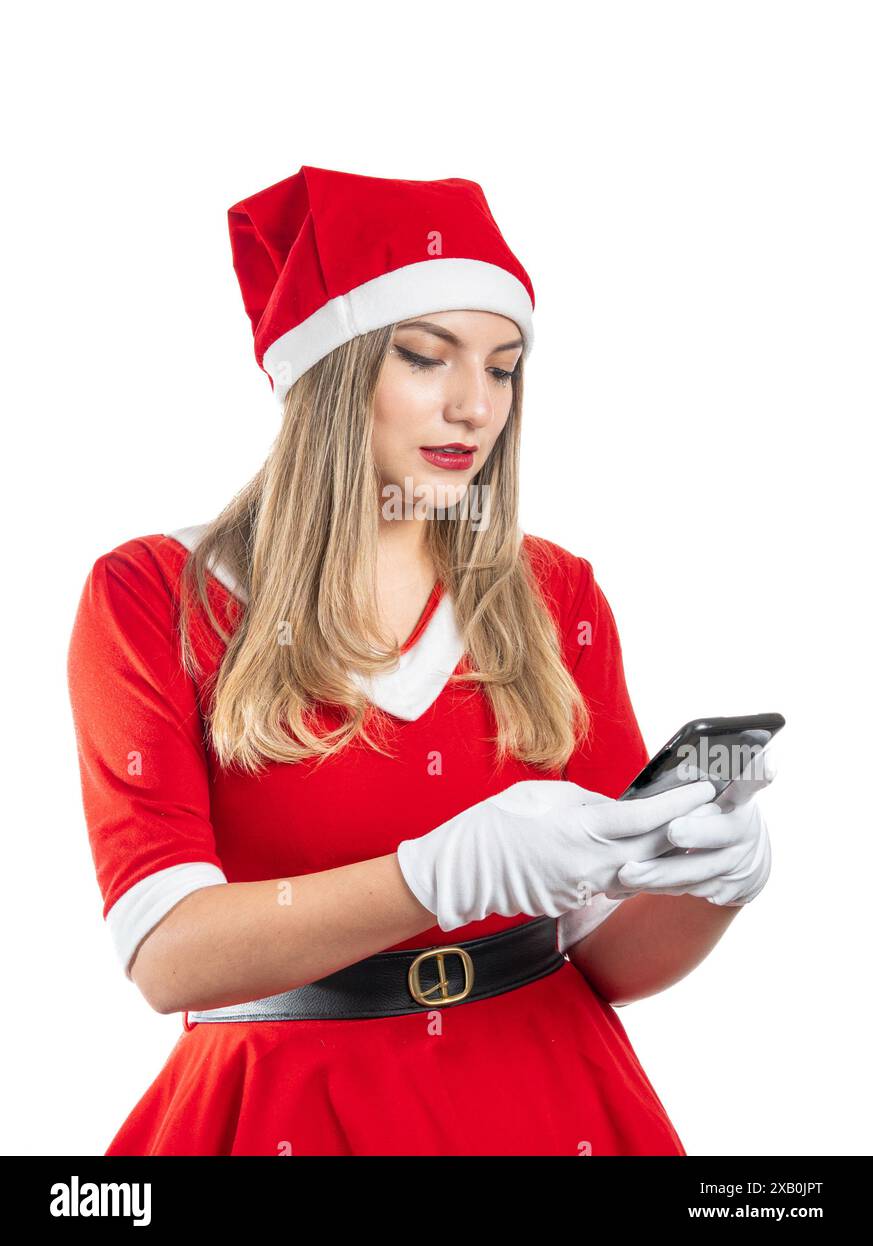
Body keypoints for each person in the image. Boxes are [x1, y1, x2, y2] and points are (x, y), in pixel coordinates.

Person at [66, 165, 774, 1157]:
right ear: (333, 370)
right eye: (426, 357)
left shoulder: (555, 594)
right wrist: (433, 878)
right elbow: (168, 957)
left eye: (502, 365)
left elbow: (608, 962)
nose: (474, 405)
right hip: (286, 1110)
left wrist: (705, 883)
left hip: (551, 1094)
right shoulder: (154, 595)